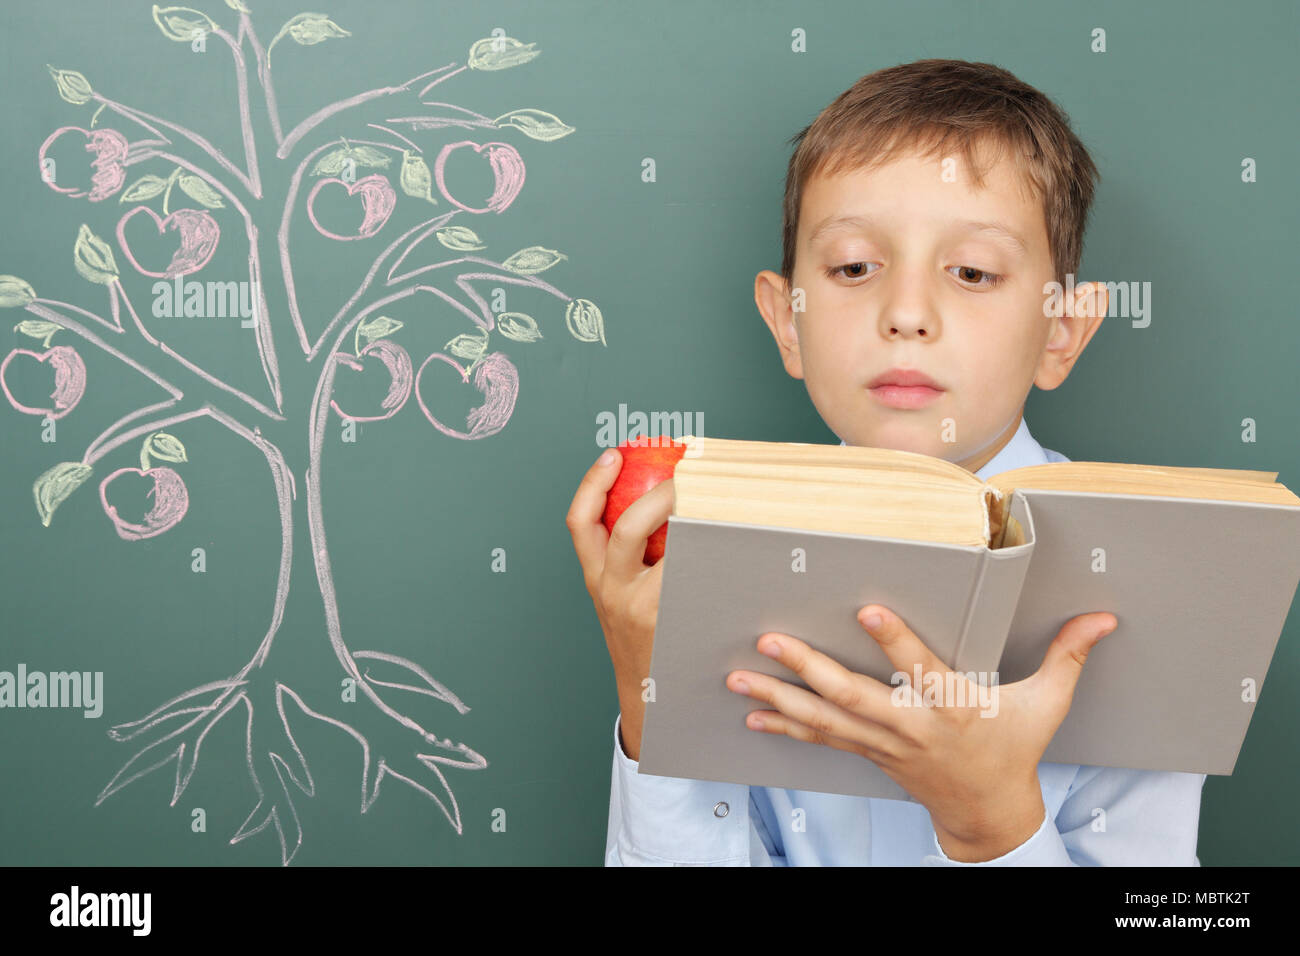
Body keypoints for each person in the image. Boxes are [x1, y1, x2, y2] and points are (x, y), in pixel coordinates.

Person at [566, 59, 1205, 865]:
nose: (905, 313)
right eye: (853, 268)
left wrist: (989, 819)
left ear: (1061, 331)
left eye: (972, 272)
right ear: (786, 321)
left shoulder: (1147, 584)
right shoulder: (722, 550)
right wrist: (654, 696)